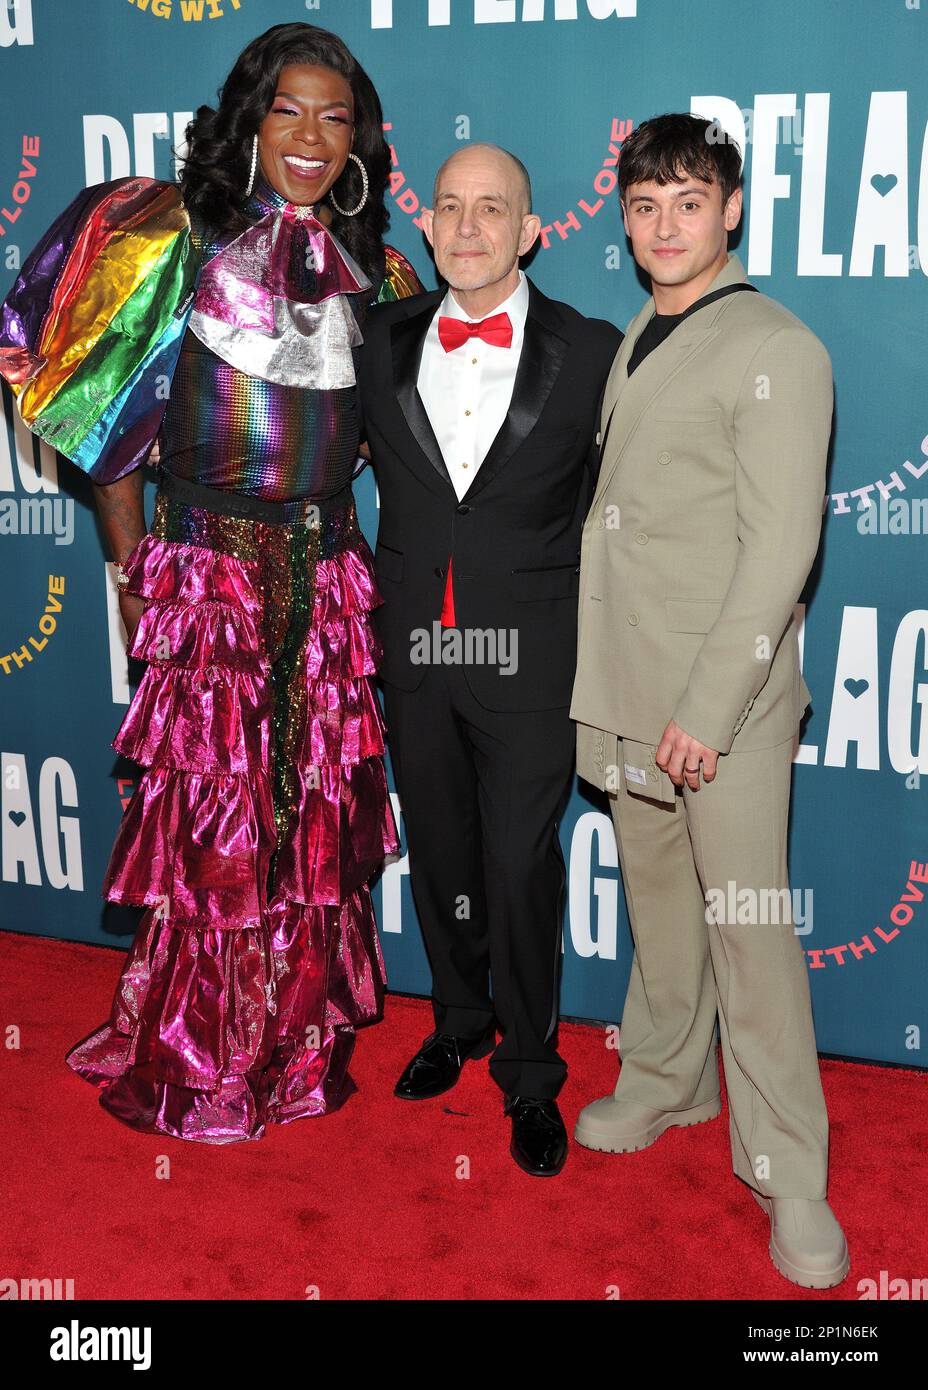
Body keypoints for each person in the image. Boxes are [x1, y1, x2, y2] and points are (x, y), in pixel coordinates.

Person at [0, 22, 422, 1144]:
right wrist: (135, 563)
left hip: (327, 574)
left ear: (360, 143)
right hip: (209, 568)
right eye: (289, 109)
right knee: (217, 819)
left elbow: (390, 433)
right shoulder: (166, 240)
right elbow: (110, 423)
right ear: (249, 118)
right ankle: (200, 1050)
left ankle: (292, 1038)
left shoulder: (376, 270)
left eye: (336, 118)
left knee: (311, 811)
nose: (311, 136)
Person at [570, 113, 848, 1287]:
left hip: (716, 708)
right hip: (629, 689)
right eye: (642, 205)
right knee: (664, 909)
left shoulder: (778, 343)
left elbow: (781, 550)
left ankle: (790, 1174)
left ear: (731, 209)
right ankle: (668, 1078)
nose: (663, 225)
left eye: (688, 201)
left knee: (749, 935)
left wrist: (706, 705)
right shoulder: (644, 327)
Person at [358, 144, 622, 1177]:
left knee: (519, 866)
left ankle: (528, 1068)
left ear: (530, 232)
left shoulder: (593, 351)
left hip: (530, 656)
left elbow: (623, 509)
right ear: (425, 228)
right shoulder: (377, 339)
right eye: (451, 209)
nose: (467, 228)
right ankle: (457, 1020)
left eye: (493, 210)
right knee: (443, 853)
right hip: (416, 645)